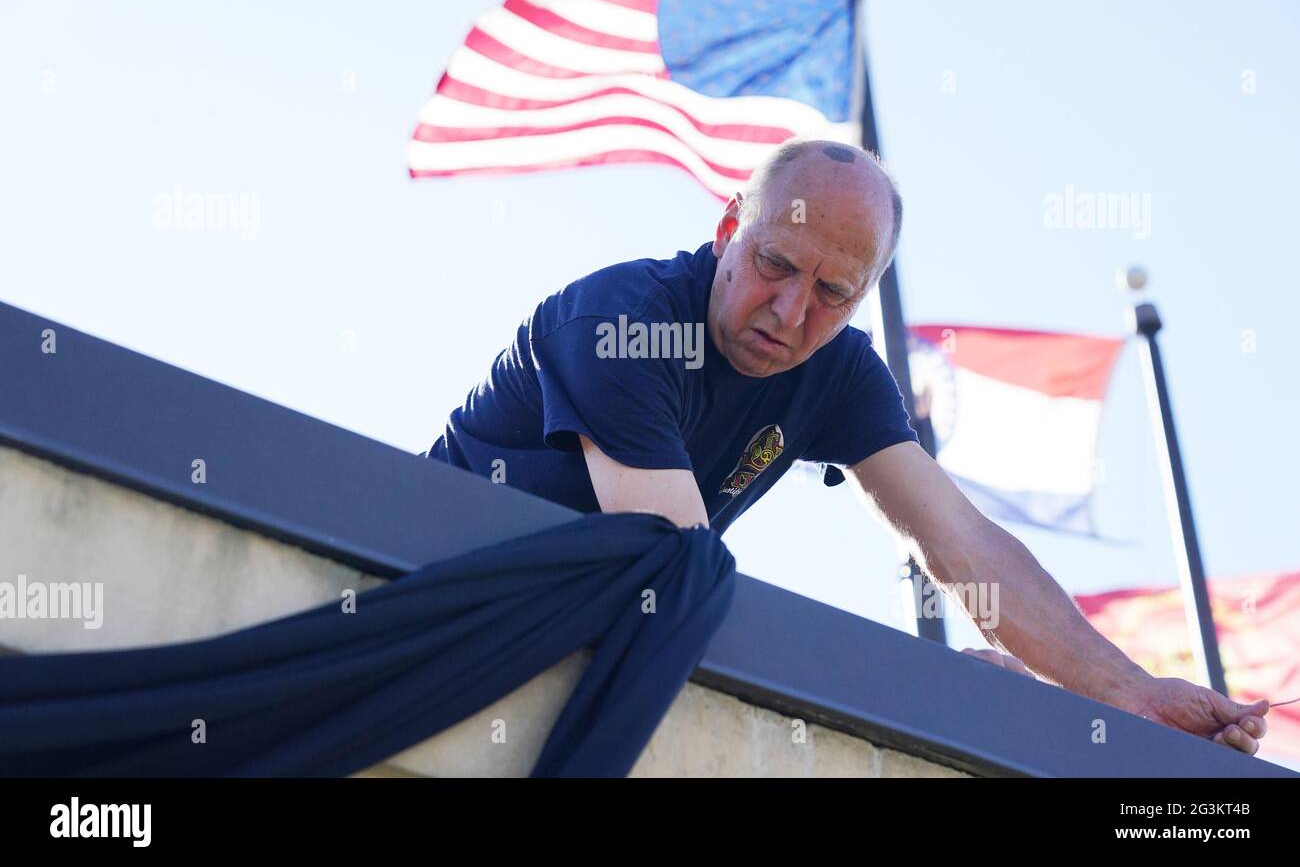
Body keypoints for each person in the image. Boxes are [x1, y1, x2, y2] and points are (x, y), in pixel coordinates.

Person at [425, 137, 1269, 757]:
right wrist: (953, 694)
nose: (790, 313)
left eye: (833, 292)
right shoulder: (622, 324)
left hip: (594, 652)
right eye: (775, 264)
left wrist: (1133, 697)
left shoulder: (838, 370)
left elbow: (960, 542)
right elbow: (674, 571)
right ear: (727, 230)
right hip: (435, 610)